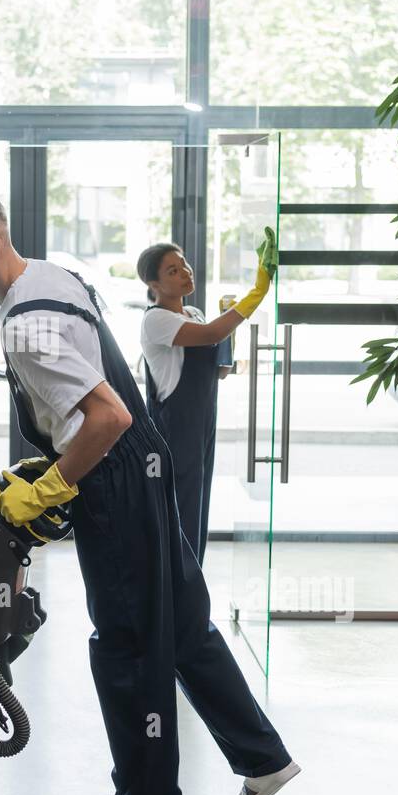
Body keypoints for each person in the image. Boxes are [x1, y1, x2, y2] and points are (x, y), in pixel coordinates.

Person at [0, 187, 299, 795]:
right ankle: (262, 758)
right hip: (145, 463)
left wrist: (50, 485)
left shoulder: (21, 325)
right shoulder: (55, 276)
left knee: (127, 647)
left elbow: (105, 417)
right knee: (183, 627)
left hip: (115, 474)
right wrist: (50, 466)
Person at [137, 229, 277, 564]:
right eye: (173, 270)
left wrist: (229, 335)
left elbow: (220, 370)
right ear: (154, 285)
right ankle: (175, 603)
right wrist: (254, 295)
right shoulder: (156, 320)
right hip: (173, 432)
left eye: (183, 264)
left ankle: (191, 599)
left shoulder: (194, 314)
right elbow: (212, 333)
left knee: (198, 508)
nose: (185, 272)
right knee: (180, 511)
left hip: (202, 426)